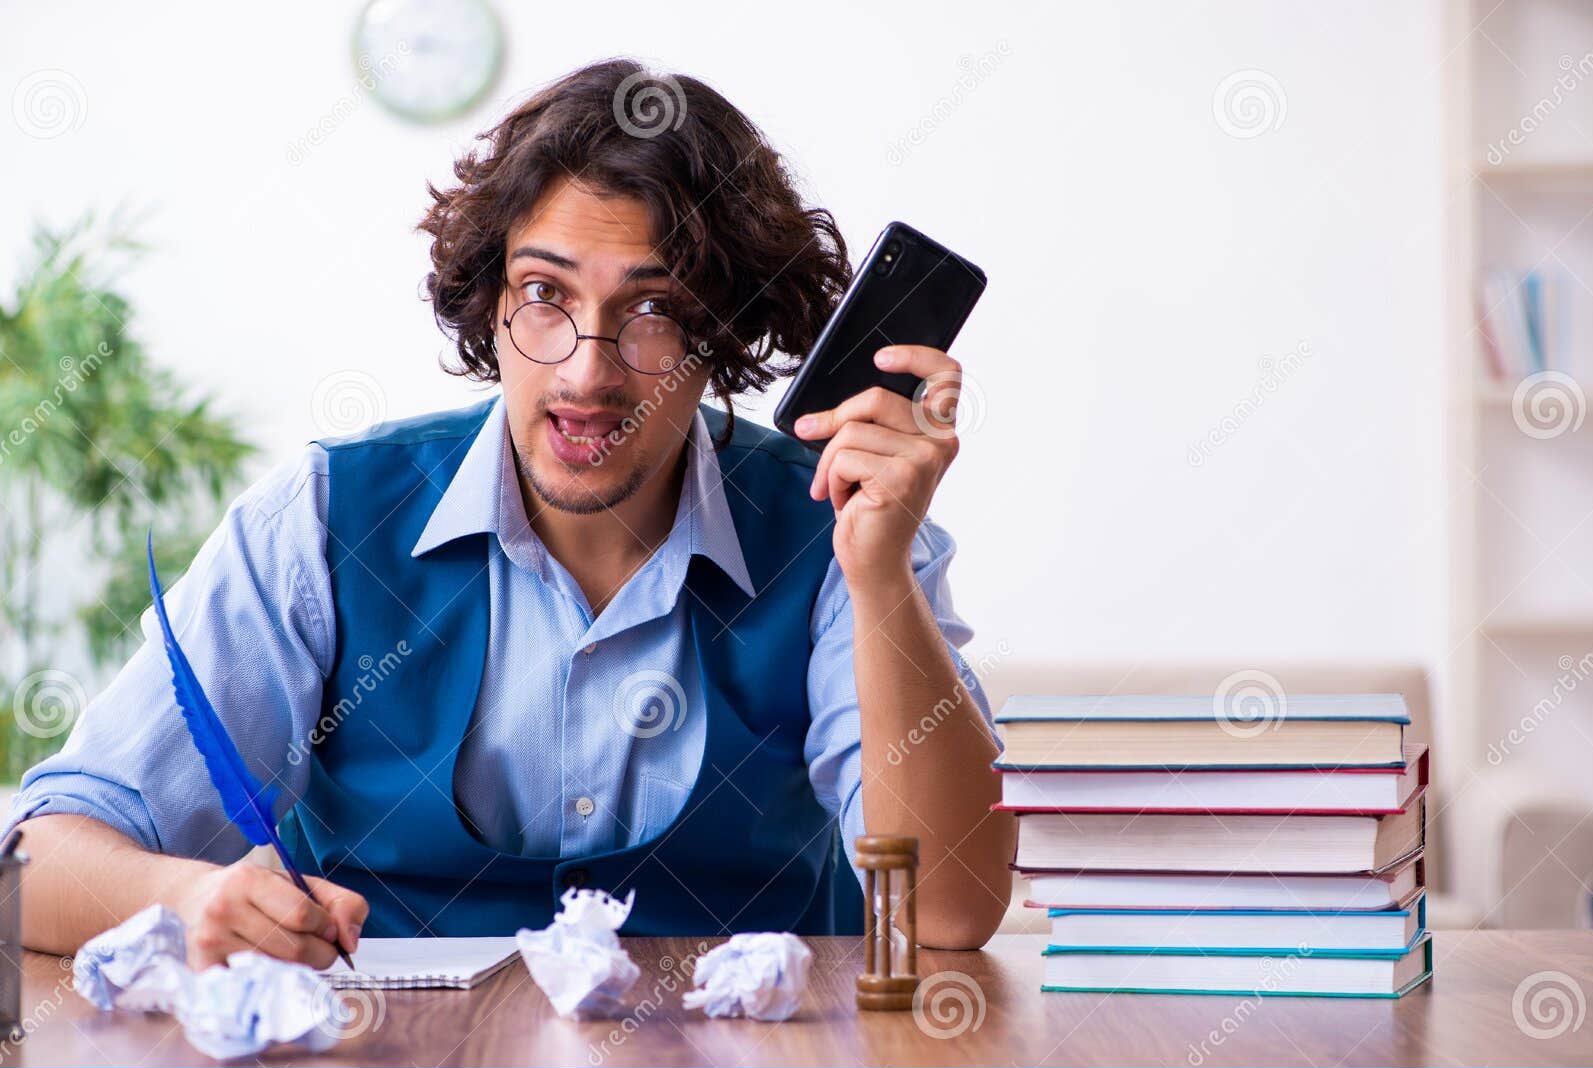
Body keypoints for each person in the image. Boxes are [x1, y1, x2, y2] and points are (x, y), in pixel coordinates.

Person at [6, 58, 1011, 970]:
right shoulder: (323, 521)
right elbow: (37, 863)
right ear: (488, 301)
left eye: (654, 312)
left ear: (725, 335)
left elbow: (952, 911)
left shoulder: (832, 527)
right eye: (543, 293)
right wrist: (185, 896)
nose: (587, 368)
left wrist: (878, 573)